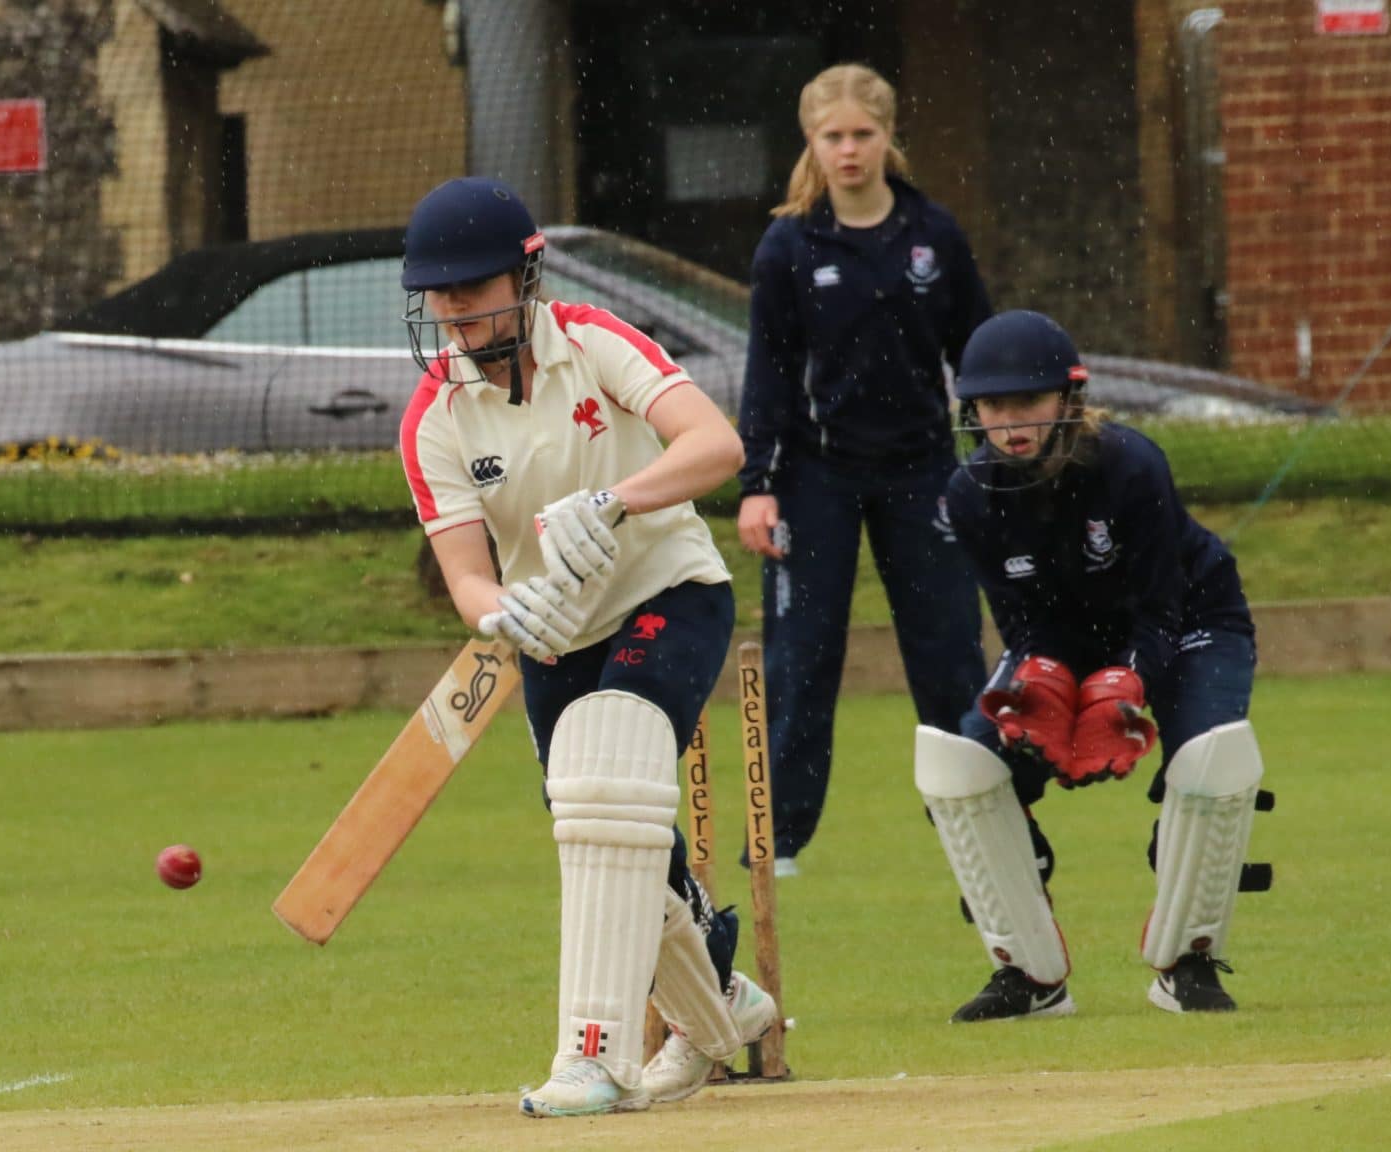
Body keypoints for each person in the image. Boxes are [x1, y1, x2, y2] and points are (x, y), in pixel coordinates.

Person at [397, 176, 780, 1117]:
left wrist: (614, 498)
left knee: (611, 778)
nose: (453, 311)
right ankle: (720, 1008)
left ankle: (597, 1060)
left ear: (525, 275)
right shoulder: (433, 417)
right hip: (555, 634)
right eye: (438, 295)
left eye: (473, 288)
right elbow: (466, 573)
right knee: (604, 831)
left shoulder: (593, 340)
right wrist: (498, 614)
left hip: (669, 589)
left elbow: (716, 444)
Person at [915, 309, 1271, 1022]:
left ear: (1068, 400)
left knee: (1211, 762)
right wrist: (1048, 682)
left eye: (1028, 401)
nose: (1010, 421)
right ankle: (1028, 974)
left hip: (1190, 617)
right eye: (992, 405)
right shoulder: (969, 494)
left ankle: (1188, 963)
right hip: (1065, 632)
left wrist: (1124, 682)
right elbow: (1017, 620)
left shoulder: (1131, 464)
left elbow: (1160, 605)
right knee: (963, 768)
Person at [738, 63, 992, 875]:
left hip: (923, 473)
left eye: (863, 134)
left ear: (888, 137)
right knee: (803, 657)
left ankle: (979, 817)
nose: (848, 150)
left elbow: (977, 354)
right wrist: (757, 486)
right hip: (818, 479)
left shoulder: (934, 235)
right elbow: (768, 374)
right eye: (832, 136)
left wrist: (989, 455)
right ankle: (779, 839)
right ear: (812, 143)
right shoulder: (788, 245)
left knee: (949, 652)